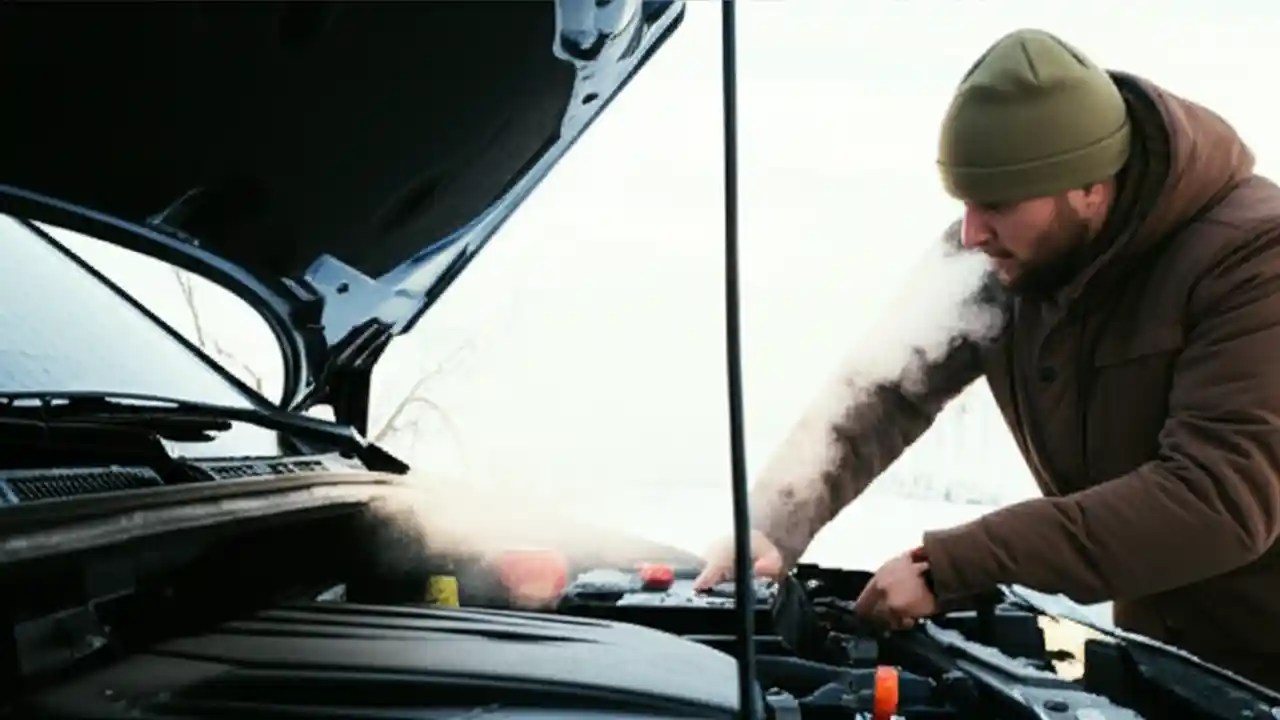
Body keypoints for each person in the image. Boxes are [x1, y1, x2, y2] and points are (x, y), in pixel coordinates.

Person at [694, 27, 1280, 691]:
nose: (971, 234)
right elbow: (892, 387)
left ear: (1091, 187)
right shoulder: (1001, 255)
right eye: (964, 203)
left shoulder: (1255, 258)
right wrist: (773, 525)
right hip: (1171, 667)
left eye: (996, 205)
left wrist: (955, 564)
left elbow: (1218, 499)